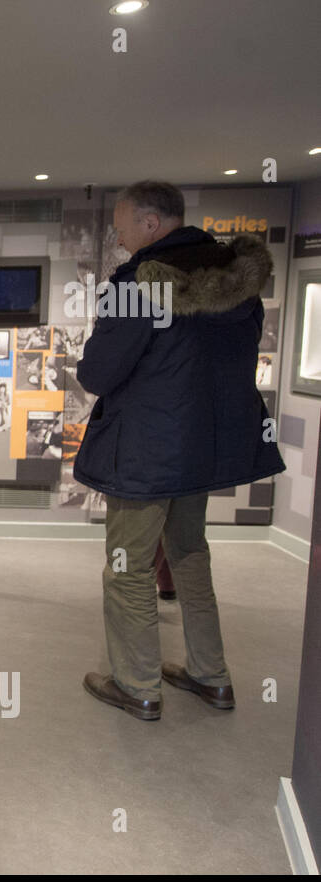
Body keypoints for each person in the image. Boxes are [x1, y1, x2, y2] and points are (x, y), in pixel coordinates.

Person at [75, 180, 284, 720]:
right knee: (190, 555)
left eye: (121, 227)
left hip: (146, 452)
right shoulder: (239, 282)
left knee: (129, 568)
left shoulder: (137, 286)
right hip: (203, 451)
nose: (118, 239)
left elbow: (98, 371)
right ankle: (211, 676)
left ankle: (137, 684)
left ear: (150, 223)